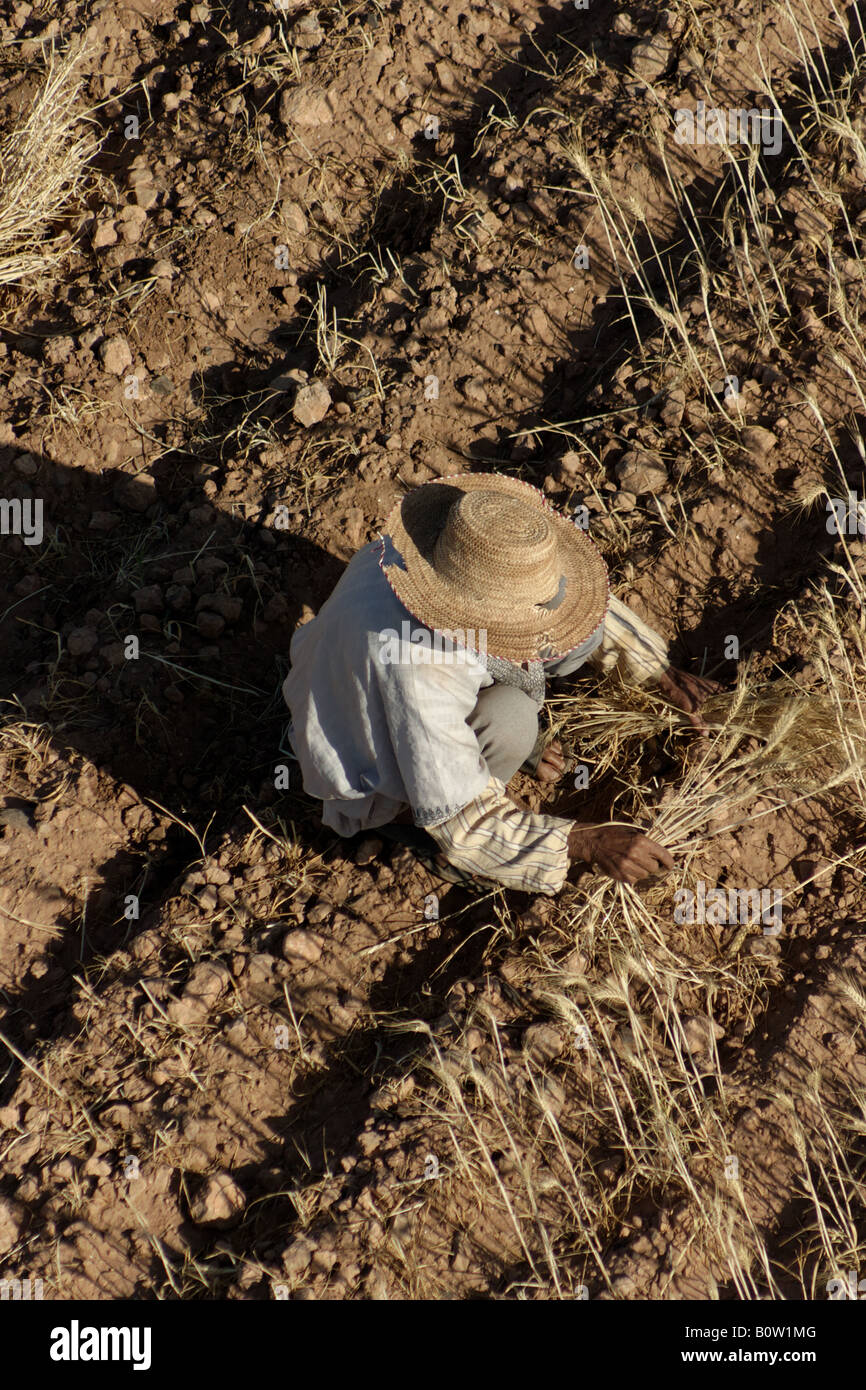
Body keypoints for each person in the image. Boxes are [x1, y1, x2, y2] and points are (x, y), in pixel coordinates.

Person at [283, 473, 718, 894]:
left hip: (384, 672)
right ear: (484, 617)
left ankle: (500, 744)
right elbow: (467, 822)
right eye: (524, 619)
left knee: (572, 638)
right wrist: (586, 840)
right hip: (369, 760)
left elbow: (570, 600)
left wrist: (659, 672)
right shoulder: (421, 673)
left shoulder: (428, 551)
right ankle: (413, 829)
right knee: (511, 721)